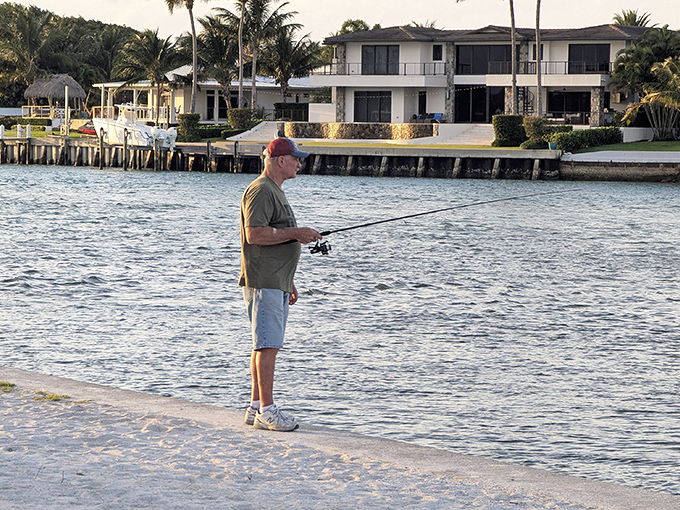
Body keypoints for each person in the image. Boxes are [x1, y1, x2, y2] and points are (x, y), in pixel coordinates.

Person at [239, 137, 321, 431]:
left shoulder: (274, 191)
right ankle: (268, 411)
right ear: (280, 160)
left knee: (263, 345)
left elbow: (276, 235)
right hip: (264, 280)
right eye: (296, 158)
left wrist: (290, 280)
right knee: (268, 345)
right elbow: (255, 234)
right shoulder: (261, 190)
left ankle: (256, 406)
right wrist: (297, 233)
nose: (300, 163)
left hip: (276, 280)